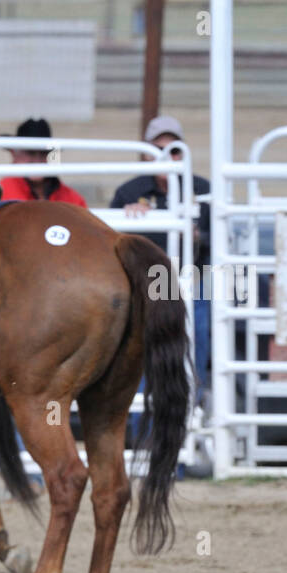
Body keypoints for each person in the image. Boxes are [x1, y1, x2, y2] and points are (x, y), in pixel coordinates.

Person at [111, 114, 211, 384]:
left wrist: (197, 236)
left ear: (182, 154)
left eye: (173, 150)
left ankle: (195, 396)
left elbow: (219, 240)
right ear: (146, 155)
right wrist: (130, 217)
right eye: (157, 150)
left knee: (199, 324)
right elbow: (111, 241)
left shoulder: (204, 189)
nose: (165, 157)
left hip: (194, 274)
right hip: (144, 278)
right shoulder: (129, 193)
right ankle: (141, 409)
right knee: (139, 336)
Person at [0, 116, 86, 206]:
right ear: (14, 154)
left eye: (44, 153)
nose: (37, 160)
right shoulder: (1, 195)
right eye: (30, 152)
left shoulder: (73, 199)